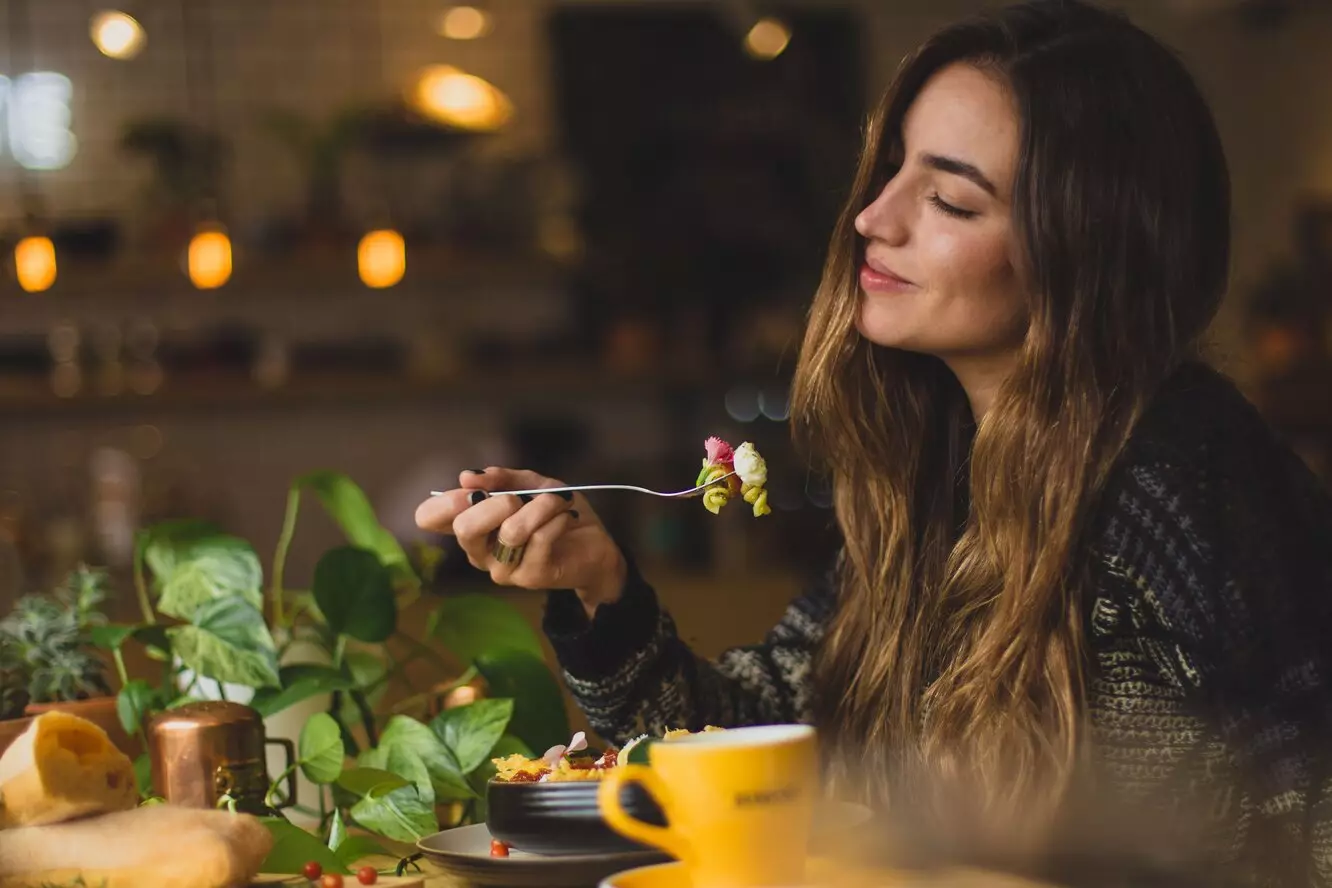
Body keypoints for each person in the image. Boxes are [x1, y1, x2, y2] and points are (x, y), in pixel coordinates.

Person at [416, 1, 1331, 883]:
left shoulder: (1173, 491)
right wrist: (600, 586)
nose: (872, 217)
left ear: (1088, 254)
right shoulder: (948, 475)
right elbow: (769, 745)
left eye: (950, 202)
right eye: (890, 169)